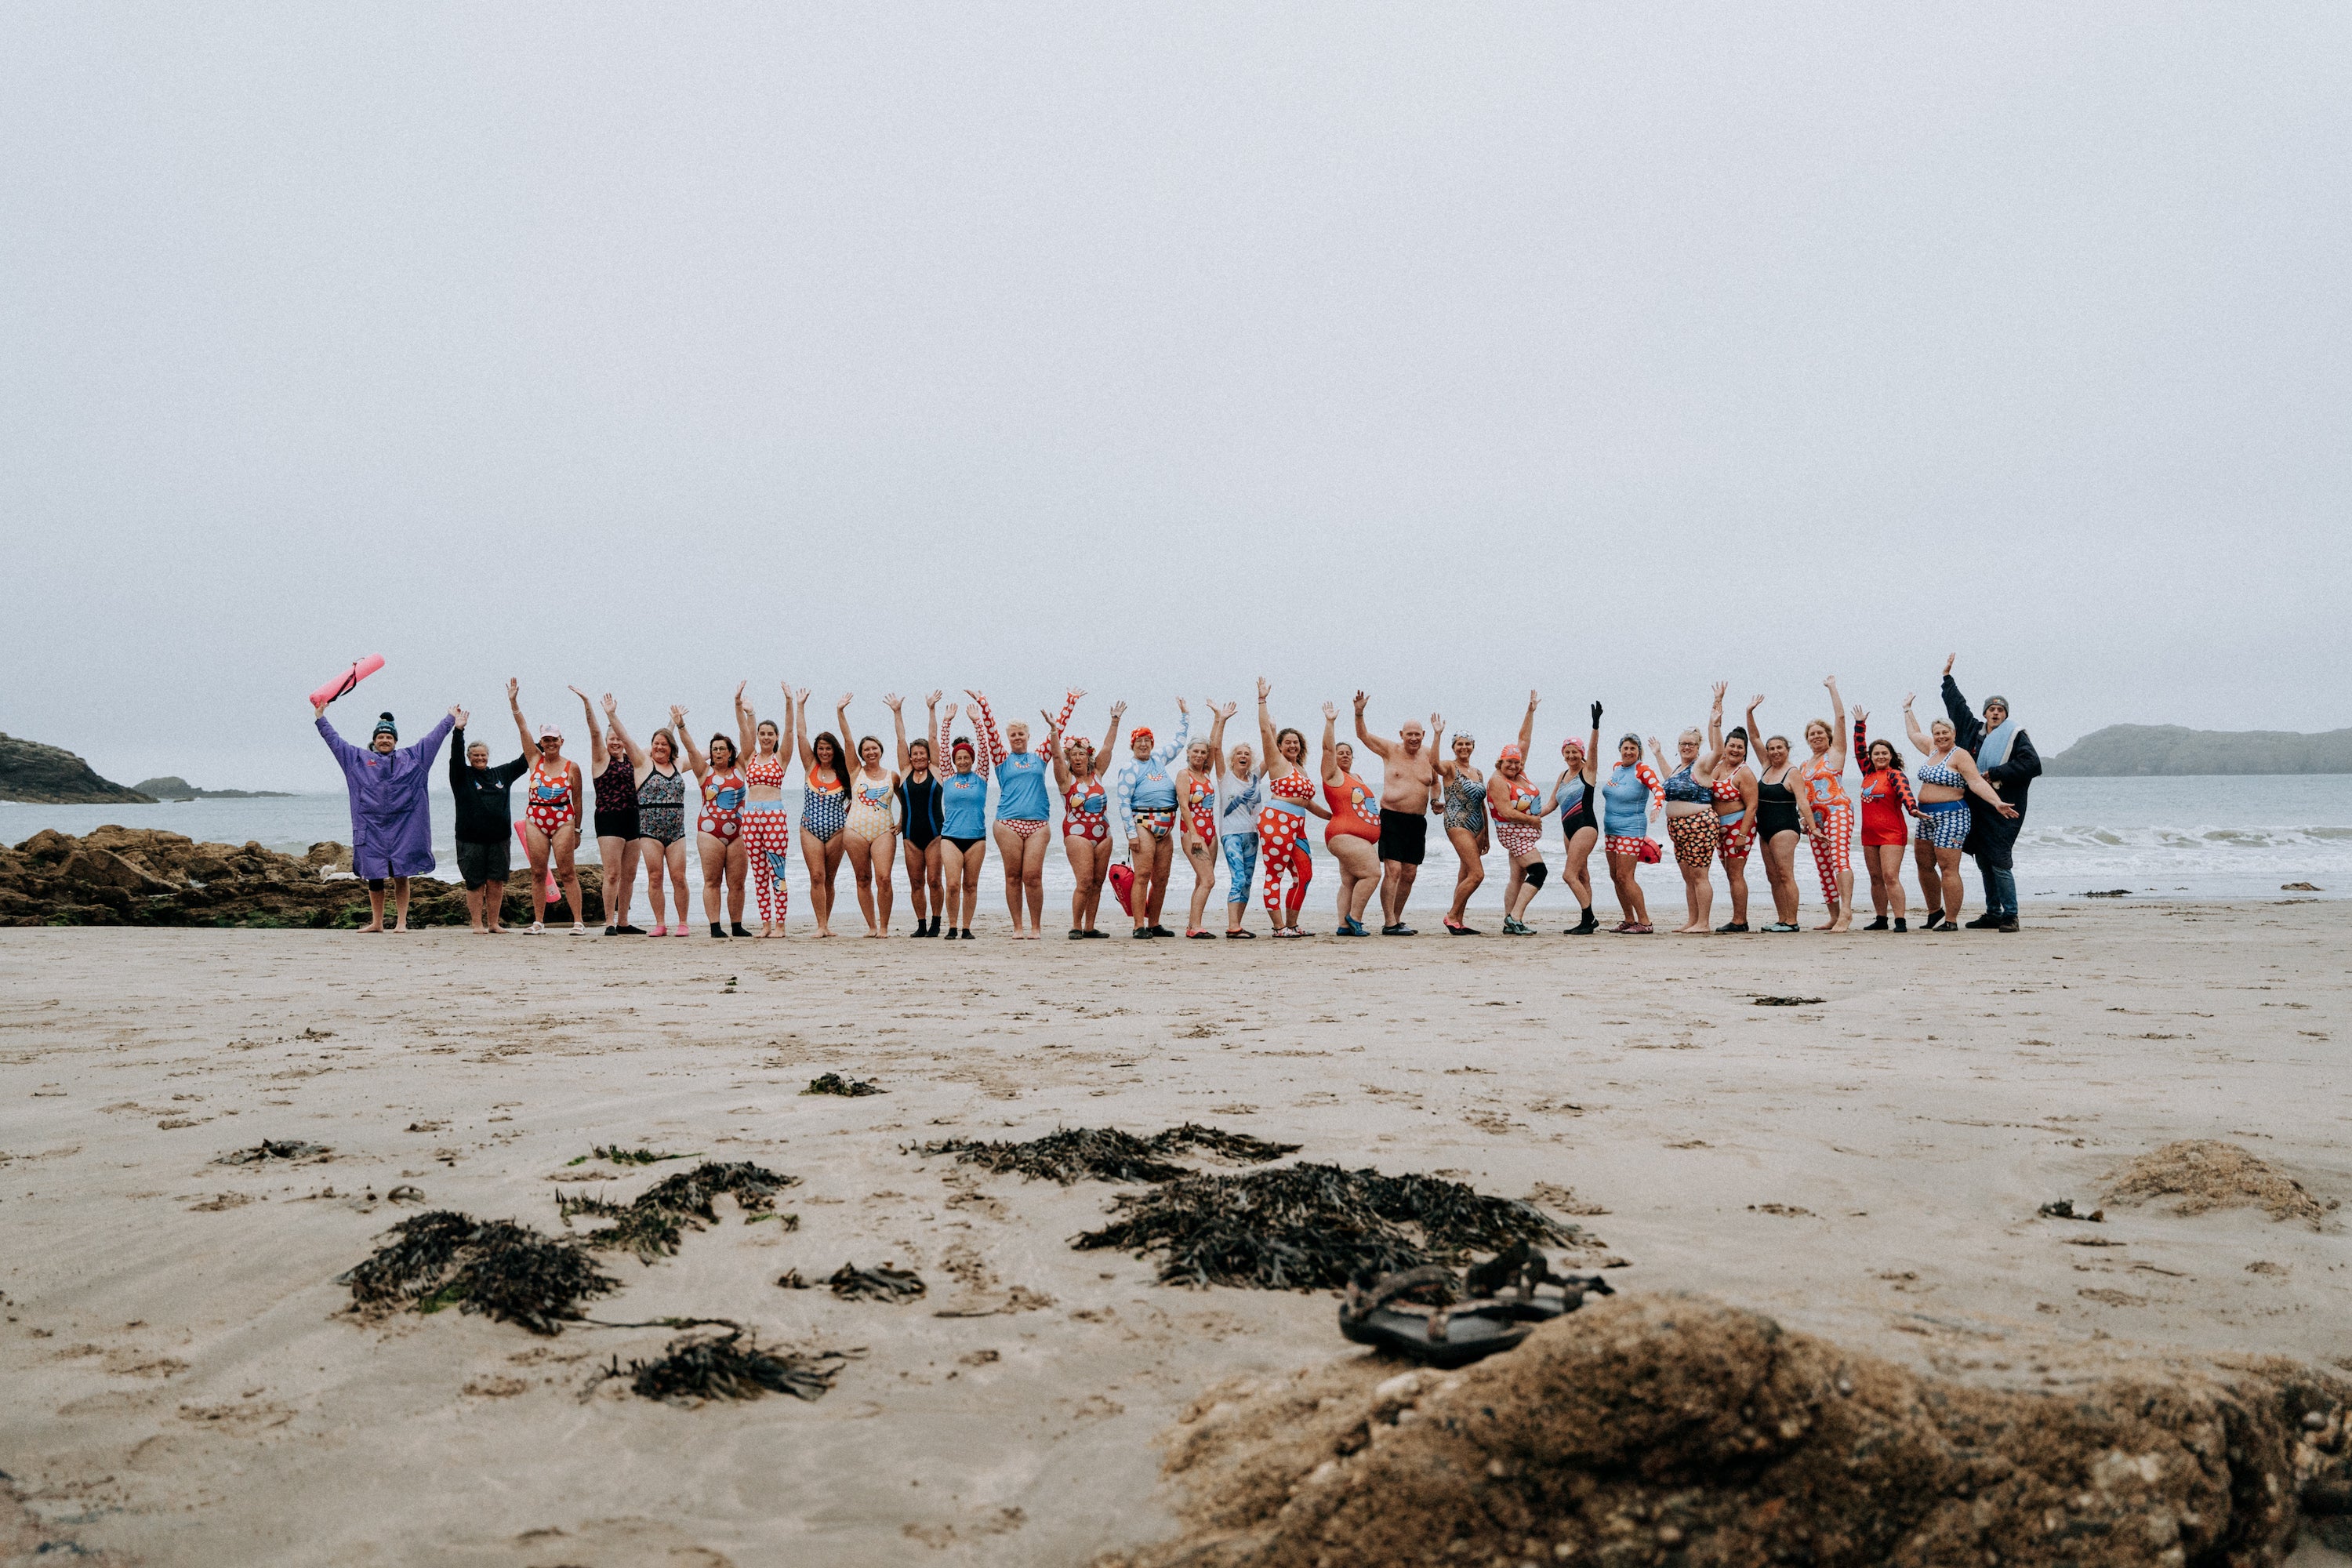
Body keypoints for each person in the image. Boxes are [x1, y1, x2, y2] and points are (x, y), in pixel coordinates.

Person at [314, 698, 456, 933]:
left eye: (389, 737)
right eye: (381, 737)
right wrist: (321, 719)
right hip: (371, 827)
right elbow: (335, 742)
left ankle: (401, 922)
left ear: (395, 741)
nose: (385, 740)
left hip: (404, 828)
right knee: (374, 876)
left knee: (402, 874)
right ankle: (377, 923)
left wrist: (449, 719)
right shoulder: (357, 760)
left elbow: (432, 740)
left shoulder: (412, 759)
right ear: (375, 740)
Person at [1900, 691, 2015, 931]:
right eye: (1937, 733)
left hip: (1952, 816)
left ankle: (1951, 920)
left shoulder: (1960, 755)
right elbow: (1913, 734)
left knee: (1948, 868)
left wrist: (1997, 802)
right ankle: (1935, 912)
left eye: (1945, 732)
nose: (1941, 736)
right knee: (1923, 864)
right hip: (1925, 815)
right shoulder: (1932, 748)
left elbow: (1976, 782)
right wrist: (1907, 709)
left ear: (1954, 734)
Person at [969, 688, 1076, 938]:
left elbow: (1056, 731)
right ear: (1009, 738)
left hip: (1038, 824)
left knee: (1033, 876)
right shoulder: (1002, 759)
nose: (1017, 738)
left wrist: (1070, 701)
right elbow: (991, 731)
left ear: (1028, 736)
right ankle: (1018, 926)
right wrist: (983, 702)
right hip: (1007, 824)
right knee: (1013, 877)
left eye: (1021, 734)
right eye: (1013, 735)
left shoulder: (1039, 756)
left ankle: (1035, 927)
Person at [1941, 656, 2038, 931]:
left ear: (2006, 714)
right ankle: (1993, 912)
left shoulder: (2015, 736)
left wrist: (1996, 773)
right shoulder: (1972, 731)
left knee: (1999, 859)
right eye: (1991, 709)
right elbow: (1957, 708)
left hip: (2004, 806)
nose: (1995, 713)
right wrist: (1947, 679)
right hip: (1976, 807)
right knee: (1984, 859)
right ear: (1985, 713)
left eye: (2000, 710)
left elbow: (2032, 765)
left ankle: (2011, 915)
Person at [1352, 692, 1443, 935]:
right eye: (1409, 734)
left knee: (1410, 873)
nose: (1413, 738)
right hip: (1392, 817)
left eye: (1417, 734)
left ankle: (1398, 918)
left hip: (1417, 821)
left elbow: (1435, 781)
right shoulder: (1390, 750)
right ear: (1401, 735)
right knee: (1393, 870)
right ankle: (1389, 922)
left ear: (1423, 736)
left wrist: (1436, 800)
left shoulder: (1428, 755)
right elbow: (1362, 736)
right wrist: (1359, 712)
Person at [507, 683, 587, 935]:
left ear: (561, 741)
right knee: (538, 872)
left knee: (567, 872)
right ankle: (539, 922)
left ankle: (578, 922)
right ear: (541, 742)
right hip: (535, 820)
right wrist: (514, 703)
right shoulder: (534, 760)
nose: (550, 743)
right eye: (546, 740)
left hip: (563, 819)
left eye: (554, 739)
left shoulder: (571, 767)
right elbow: (522, 729)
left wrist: (577, 831)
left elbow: (579, 802)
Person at [1653, 688, 1730, 935]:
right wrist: (1658, 754)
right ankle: (1692, 920)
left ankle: (1704, 923)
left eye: (1691, 744)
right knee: (1688, 876)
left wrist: (1716, 724)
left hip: (1699, 825)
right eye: (1683, 743)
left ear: (1698, 747)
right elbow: (1668, 779)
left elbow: (1718, 751)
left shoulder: (1702, 765)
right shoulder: (1678, 768)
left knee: (1699, 874)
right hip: (1678, 829)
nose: (1686, 747)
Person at [573, 688, 646, 936]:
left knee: (630, 875)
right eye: (611, 739)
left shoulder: (632, 761)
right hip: (609, 820)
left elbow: (661, 749)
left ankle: (624, 921)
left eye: (619, 739)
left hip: (632, 819)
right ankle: (609, 923)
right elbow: (594, 731)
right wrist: (587, 703)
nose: (616, 742)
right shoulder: (601, 760)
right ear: (606, 742)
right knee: (613, 873)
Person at [1047, 698, 1123, 938]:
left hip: (1104, 834)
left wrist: (1115, 721)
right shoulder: (1065, 780)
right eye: (1074, 754)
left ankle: (1090, 927)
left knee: (1098, 883)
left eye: (1082, 754)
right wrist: (1054, 732)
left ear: (1087, 757)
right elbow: (1057, 758)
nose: (1078, 758)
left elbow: (1108, 749)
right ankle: (1075, 926)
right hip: (1077, 835)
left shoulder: (1098, 773)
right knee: (1084, 881)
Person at [1116, 702, 1191, 938]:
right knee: (1143, 875)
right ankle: (1139, 925)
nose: (1144, 744)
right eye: (1139, 740)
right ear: (1132, 745)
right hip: (1143, 825)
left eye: (1147, 740)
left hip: (1165, 828)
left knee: (1161, 878)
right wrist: (1130, 833)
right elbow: (1123, 802)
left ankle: (1154, 923)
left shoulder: (1159, 758)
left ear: (1152, 743)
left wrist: (1185, 716)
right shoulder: (1129, 768)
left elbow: (1179, 743)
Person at [447, 709, 526, 934]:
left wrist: (540, 740)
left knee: (496, 882)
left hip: (499, 839)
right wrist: (459, 730)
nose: (480, 759)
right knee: (475, 883)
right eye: (475, 756)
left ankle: (493, 923)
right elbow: (455, 754)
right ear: (469, 758)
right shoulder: (462, 776)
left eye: (483, 755)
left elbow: (525, 760)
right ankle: (476, 923)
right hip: (470, 839)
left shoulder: (502, 774)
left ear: (488, 757)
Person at [674, 707, 750, 938]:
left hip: (738, 834)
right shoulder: (703, 772)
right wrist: (681, 725)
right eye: (714, 749)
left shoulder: (741, 768)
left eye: (722, 749)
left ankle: (737, 926)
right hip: (709, 832)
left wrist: (744, 712)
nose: (717, 752)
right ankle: (715, 927)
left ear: (730, 753)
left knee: (737, 883)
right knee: (712, 880)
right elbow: (689, 747)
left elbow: (748, 738)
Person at [1254, 679, 1319, 938]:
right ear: (1279, 747)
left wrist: (1334, 816)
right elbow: (1263, 732)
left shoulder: (1301, 770)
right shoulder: (1277, 763)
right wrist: (1262, 700)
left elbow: (1309, 803)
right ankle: (1279, 927)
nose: (1293, 745)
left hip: (1298, 825)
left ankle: (1292, 924)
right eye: (1287, 742)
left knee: (1304, 875)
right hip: (1277, 821)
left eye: (1296, 742)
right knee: (1275, 874)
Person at [793, 690, 854, 938]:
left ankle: (826, 924)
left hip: (838, 830)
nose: (824, 752)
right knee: (816, 876)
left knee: (829, 879)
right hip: (810, 829)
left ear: (833, 750)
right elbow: (800, 734)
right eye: (821, 748)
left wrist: (840, 712)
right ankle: (820, 925)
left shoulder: (844, 770)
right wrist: (800, 706)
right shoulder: (810, 765)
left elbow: (850, 744)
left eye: (828, 748)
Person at [1795, 677, 1854, 934]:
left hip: (1837, 811)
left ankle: (1846, 912)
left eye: (1820, 732)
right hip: (1814, 822)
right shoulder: (1803, 766)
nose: (1816, 736)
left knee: (1839, 859)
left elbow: (1841, 718)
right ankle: (1832, 915)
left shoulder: (1835, 753)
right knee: (1823, 866)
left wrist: (1832, 688)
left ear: (1828, 736)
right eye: (1812, 734)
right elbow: (1802, 798)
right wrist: (1804, 821)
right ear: (1807, 740)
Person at [1319, 702, 1384, 936]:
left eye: (1348, 753)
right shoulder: (1332, 774)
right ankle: (1355, 918)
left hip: (1356, 837)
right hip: (1344, 835)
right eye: (1340, 752)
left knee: (1350, 881)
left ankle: (1343, 926)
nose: (1344, 755)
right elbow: (1327, 749)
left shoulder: (1356, 777)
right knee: (1373, 874)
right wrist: (1330, 722)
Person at [839, 700, 902, 938]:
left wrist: (902, 821)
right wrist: (840, 712)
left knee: (884, 878)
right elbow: (847, 742)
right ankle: (871, 927)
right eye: (866, 749)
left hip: (883, 831)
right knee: (863, 878)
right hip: (854, 830)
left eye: (874, 748)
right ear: (861, 754)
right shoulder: (856, 771)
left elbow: (904, 800)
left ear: (880, 751)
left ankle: (884, 926)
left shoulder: (892, 776)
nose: (870, 752)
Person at [1744, 695, 1806, 933]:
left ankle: (1792, 921)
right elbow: (1754, 738)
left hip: (1785, 827)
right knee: (1772, 876)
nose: (1774, 751)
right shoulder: (1766, 766)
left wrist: (1811, 825)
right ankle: (1782, 919)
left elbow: (1803, 802)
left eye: (1779, 747)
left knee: (1785, 874)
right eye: (1771, 749)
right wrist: (1749, 712)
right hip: (1765, 828)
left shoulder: (1792, 772)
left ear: (1787, 750)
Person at [739, 684, 795, 938]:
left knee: (777, 870)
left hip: (774, 816)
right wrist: (742, 706)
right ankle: (765, 924)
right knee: (759, 872)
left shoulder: (780, 757)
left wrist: (789, 701)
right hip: (750, 816)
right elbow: (743, 731)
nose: (765, 737)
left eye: (770, 734)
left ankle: (780, 924)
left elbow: (791, 729)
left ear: (775, 737)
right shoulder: (749, 757)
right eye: (762, 733)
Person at [1853, 710, 1918, 931]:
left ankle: (1900, 920)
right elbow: (1859, 749)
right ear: (1871, 757)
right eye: (1876, 753)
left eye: (1884, 753)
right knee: (1875, 877)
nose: (1880, 756)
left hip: (1892, 832)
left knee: (1890, 876)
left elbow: (1905, 793)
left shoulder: (1895, 774)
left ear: (1891, 755)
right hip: (1869, 833)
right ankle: (1881, 919)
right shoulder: (1868, 774)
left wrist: (1913, 809)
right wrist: (1859, 725)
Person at [888, 693, 947, 938]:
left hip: (935, 834)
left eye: (922, 753)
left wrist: (932, 709)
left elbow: (933, 737)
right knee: (916, 883)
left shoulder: (937, 770)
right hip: (911, 835)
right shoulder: (904, 772)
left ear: (928, 755)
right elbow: (901, 739)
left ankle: (936, 923)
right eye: (915, 754)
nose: (919, 756)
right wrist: (897, 712)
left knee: (934, 880)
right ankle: (921, 925)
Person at [935, 702, 992, 940]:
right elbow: (942, 752)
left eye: (966, 757)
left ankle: (967, 928)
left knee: (970, 886)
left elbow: (985, 752)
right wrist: (946, 722)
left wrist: (977, 722)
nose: (962, 761)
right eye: (958, 758)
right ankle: (952, 926)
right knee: (952, 885)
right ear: (954, 761)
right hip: (950, 838)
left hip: (976, 838)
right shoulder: (947, 776)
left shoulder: (981, 777)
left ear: (972, 759)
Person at [633, 723, 693, 938]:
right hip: (649, 831)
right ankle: (660, 924)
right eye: (656, 744)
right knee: (655, 877)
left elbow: (699, 753)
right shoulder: (643, 765)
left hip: (676, 832)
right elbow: (630, 746)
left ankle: (683, 923)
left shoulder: (679, 763)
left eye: (664, 744)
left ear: (672, 747)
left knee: (679, 877)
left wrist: (677, 726)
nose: (659, 747)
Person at [1599, 731, 1663, 934]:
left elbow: (1659, 789)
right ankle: (1629, 919)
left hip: (1631, 829)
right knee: (1615, 875)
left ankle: (1645, 922)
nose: (1628, 752)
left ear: (1639, 751)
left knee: (1625, 876)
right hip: (1611, 829)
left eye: (1633, 748)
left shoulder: (1642, 770)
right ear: (1620, 750)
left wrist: (1656, 807)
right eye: (1625, 748)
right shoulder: (1616, 768)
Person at [1176, 706, 1231, 939]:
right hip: (1193, 834)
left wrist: (1219, 719)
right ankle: (1194, 927)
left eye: (1202, 752)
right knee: (1209, 880)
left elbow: (1214, 745)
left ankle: (1193, 923)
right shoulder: (1184, 775)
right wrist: (1195, 834)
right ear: (1188, 753)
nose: (1199, 755)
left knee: (1201, 880)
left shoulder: (1206, 773)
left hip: (1211, 834)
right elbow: (1184, 806)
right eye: (1195, 752)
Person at [1550, 702, 1604, 935]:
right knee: (1582, 874)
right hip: (1568, 830)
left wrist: (1595, 725)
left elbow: (1594, 750)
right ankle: (1586, 921)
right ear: (1563, 754)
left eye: (1575, 751)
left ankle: (1589, 918)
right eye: (1567, 751)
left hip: (1585, 827)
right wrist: (1525, 815)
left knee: (1568, 874)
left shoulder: (1588, 771)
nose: (1572, 755)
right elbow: (1551, 804)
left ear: (1581, 753)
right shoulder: (1562, 775)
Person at [1706, 706, 1760, 935]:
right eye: (1732, 745)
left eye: (1740, 747)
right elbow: (1713, 732)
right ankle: (1739, 918)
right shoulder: (1717, 765)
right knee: (1730, 873)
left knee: (1736, 873)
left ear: (1745, 751)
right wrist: (1717, 703)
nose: (1735, 749)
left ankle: (1740, 921)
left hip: (1739, 826)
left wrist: (1742, 834)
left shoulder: (1745, 773)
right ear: (1725, 747)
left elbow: (1752, 806)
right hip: (1720, 828)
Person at [1486, 739, 1548, 936]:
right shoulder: (1498, 781)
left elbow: (1524, 741)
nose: (1513, 765)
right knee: (1539, 872)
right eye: (1508, 762)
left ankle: (1509, 922)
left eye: (1517, 762)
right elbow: (1505, 812)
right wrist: (1532, 821)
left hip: (1524, 836)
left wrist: (1531, 712)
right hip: (1515, 835)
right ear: (1500, 762)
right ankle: (1515, 917)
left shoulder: (1519, 774)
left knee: (1517, 878)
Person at [1433, 728, 1490, 935]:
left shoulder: (1478, 772)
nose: (1464, 747)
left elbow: (1482, 806)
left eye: (1468, 744)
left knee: (1465, 874)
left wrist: (1486, 835)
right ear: (1454, 748)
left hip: (1477, 826)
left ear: (1473, 747)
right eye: (1460, 744)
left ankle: (1459, 921)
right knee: (1477, 875)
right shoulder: (1450, 766)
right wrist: (1437, 735)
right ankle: (1452, 916)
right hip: (1457, 823)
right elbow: (1434, 764)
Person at [1213, 720, 1263, 937]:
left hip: (1252, 835)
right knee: (1239, 879)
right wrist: (1221, 720)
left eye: (1247, 754)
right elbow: (1215, 748)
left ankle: (1237, 925)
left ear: (1251, 759)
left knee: (1248, 882)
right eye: (1239, 753)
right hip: (1231, 834)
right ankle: (1233, 926)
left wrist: (1270, 727)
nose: (1243, 756)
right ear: (1232, 758)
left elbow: (1271, 753)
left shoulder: (1255, 778)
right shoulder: (1225, 777)